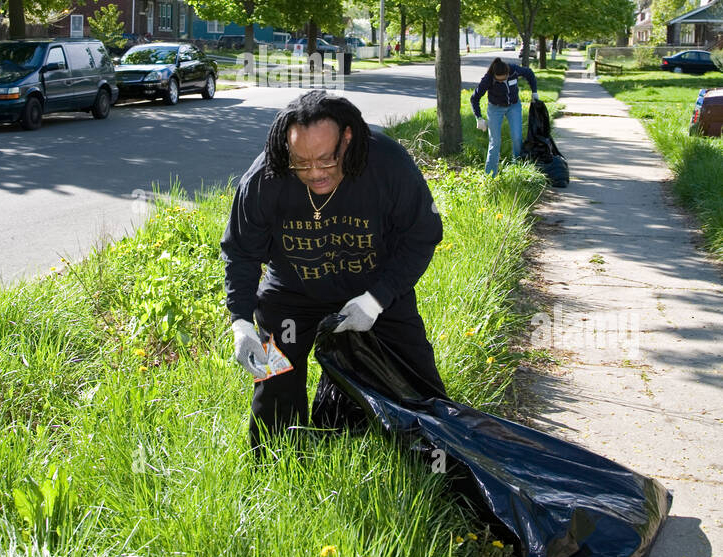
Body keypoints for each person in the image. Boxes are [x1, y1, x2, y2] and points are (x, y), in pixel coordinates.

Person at [221, 90, 446, 452]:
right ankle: (278, 467)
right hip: (294, 295)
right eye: (301, 163)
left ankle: (431, 463)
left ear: (348, 139)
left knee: (417, 382)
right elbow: (241, 252)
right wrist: (240, 322)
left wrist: (377, 300)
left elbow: (422, 236)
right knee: (277, 379)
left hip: (375, 288)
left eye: (327, 160)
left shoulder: (387, 164)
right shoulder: (265, 177)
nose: (314, 174)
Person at [470, 56, 539, 177]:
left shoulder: (514, 70)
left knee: (517, 137)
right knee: (495, 141)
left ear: (508, 73)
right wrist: (479, 117)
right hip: (495, 109)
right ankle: (490, 175)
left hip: (514, 106)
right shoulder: (488, 79)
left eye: (504, 79)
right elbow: (474, 98)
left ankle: (518, 169)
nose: (502, 82)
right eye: (499, 80)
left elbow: (529, 73)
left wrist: (534, 92)